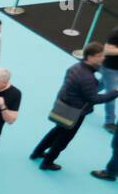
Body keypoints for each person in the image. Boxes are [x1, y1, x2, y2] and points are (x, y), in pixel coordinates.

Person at [31, 42, 118, 171]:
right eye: (99, 56)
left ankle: (37, 153)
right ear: (90, 57)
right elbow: (94, 99)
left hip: (63, 106)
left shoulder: (75, 67)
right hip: (75, 113)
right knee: (63, 140)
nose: (103, 58)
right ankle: (47, 162)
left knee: (56, 131)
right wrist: (115, 92)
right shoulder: (88, 78)